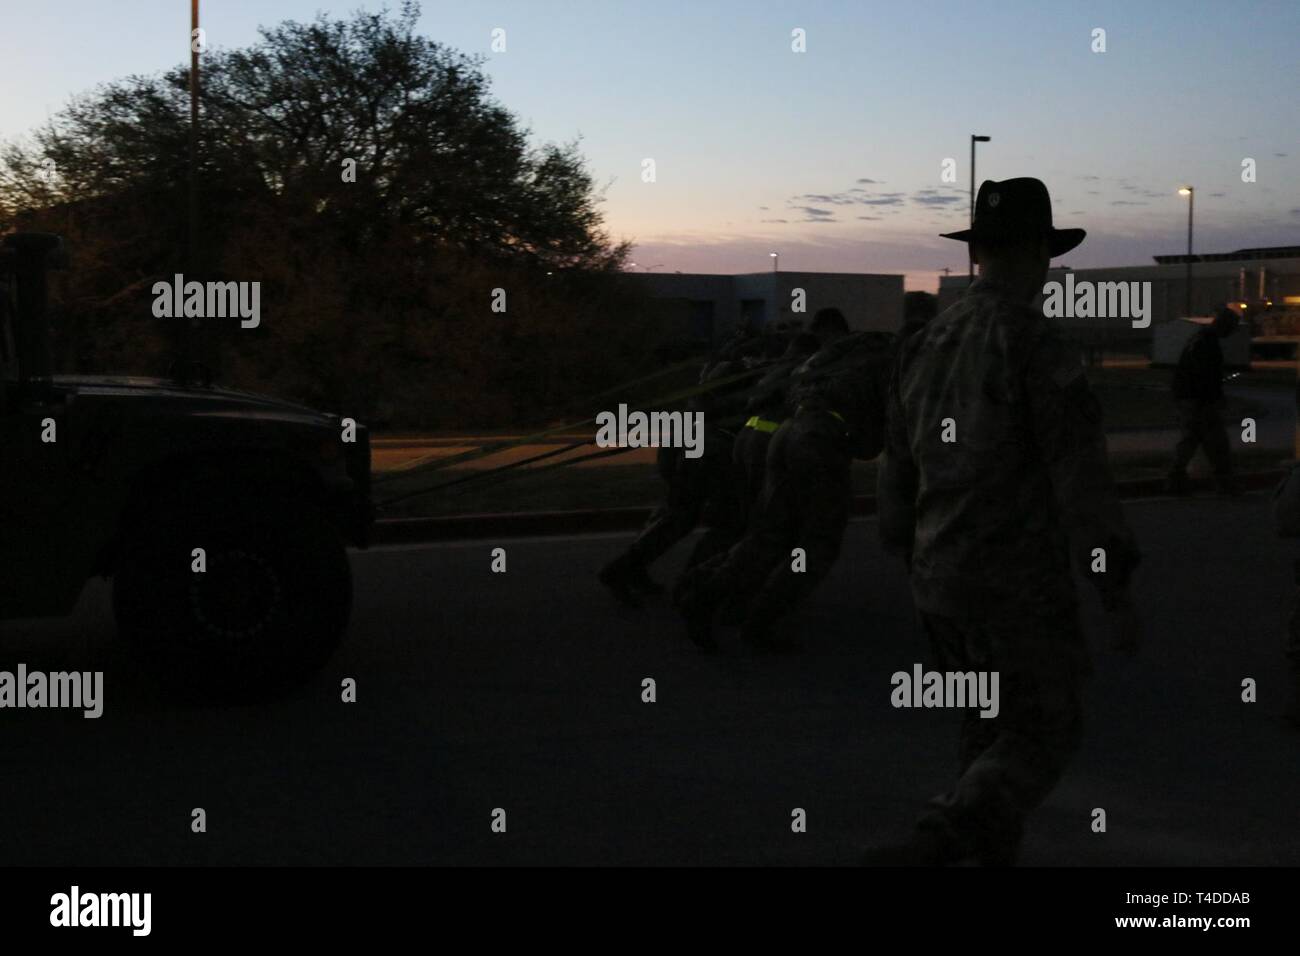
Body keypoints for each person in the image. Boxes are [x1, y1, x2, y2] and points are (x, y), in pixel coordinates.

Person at [866, 177, 1142, 866]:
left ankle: (977, 851)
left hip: (939, 578)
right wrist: (1113, 587)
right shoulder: (1035, 345)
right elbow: (1081, 483)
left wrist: (912, 555)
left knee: (985, 726)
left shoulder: (925, 343)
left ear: (978, 254)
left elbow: (896, 474)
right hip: (1013, 582)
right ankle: (940, 839)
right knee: (1042, 727)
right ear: (1038, 254)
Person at [676, 309, 893, 652]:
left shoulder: (835, 357)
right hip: (821, 442)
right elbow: (879, 435)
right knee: (818, 544)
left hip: (788, 434)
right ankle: (759, 623)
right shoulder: (893, 363)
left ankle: (704, 593)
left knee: (769, 535)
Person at [597, 331, 758, 606]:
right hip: (704, 451)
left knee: (677, 519)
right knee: (726, 522)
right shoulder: (740, 374)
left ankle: (629, 569)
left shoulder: (717, 370)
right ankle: (689, 584)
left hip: (686, 447)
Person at [1166, 307, 1241, 496]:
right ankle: (1226, 484)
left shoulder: (1199, 339)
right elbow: (1208, 376)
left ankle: (1175, 481)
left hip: (1186, 397)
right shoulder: (1208, 344)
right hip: (1199, 400)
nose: (1232, 332)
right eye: (1232, 327)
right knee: (1217, 444)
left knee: (1190, 440)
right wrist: (1215, 399)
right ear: (1224, 325)